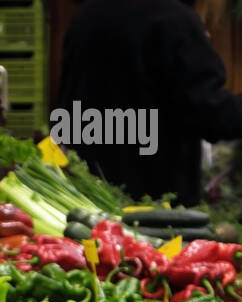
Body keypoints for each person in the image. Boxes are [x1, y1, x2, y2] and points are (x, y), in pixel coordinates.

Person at [56, 0, 242, 204]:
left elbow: (66, 113)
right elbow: (213, 116)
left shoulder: (87, 15)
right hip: (155, 208)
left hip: (88, 199)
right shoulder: (174, 21)